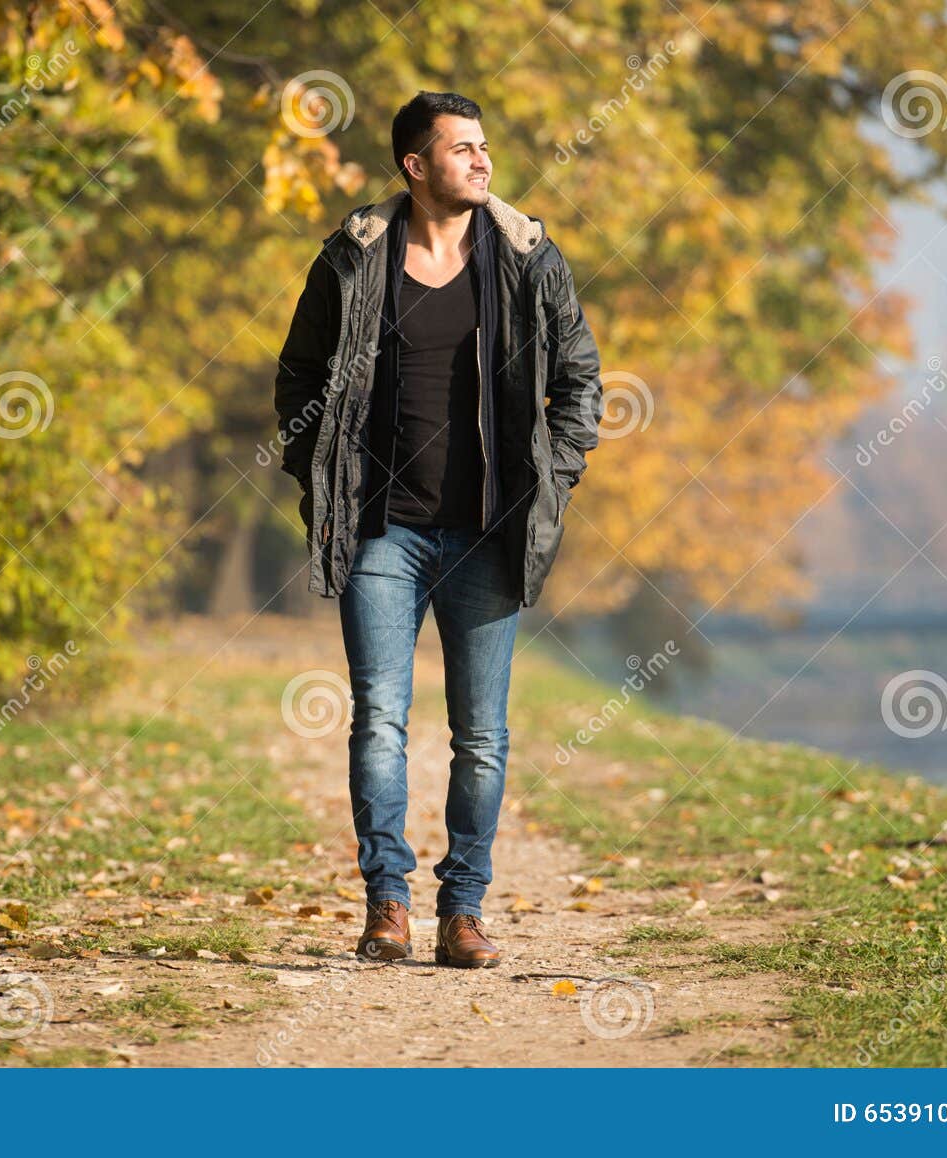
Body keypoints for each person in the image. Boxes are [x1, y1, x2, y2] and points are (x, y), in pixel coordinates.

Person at [272, 90, 602, 967]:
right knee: (379, 718)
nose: (483, 160)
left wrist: (553, 479)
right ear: (416, 166)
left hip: (490, 534)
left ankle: (463, 912)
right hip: (382, 531)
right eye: (462, 149)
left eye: (485, 146)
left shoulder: (529, 258)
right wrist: (321, 477)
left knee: (481, 734)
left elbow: (579, 382)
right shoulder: (355, 258)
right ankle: (387, 904)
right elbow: (299, 375)